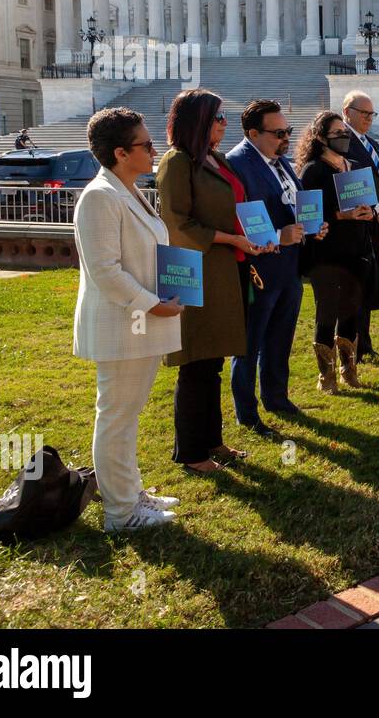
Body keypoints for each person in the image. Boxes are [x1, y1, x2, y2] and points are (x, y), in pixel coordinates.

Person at [73, 107, 183, 531]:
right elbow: (106, 271)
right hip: (123, 324)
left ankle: (130, 491)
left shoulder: (129, 190)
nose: (155, 150)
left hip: (139, 322)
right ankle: (120, 513)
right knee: (116, 416)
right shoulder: (101, 196)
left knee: (127, 414)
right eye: (146, 145)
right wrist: (153, 303)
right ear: (120, 152)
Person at [157, 88, 261, 474]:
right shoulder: (177, 162)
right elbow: (177, 223)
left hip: (227, 267)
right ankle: (191, 452)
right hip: (195, 270)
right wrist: (231, 238)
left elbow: (236, 207)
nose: (224, 124)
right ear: (198, 121)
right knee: (197, 361)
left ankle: (212, 441)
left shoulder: (216, 159)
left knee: (214, 358)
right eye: (218, 118)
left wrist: (254, 236)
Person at [226, 100, 327, 435]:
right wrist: (277, 235)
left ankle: (276, 397)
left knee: (280, 338)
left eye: (288, 131)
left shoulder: (281, 163)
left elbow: (291, 203)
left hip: (288, 266)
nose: (286, 138)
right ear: (253, 133)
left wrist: (312, 225)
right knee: (249, 342)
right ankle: (246, 411)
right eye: (279, 133)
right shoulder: (237, 164)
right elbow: (239, 217)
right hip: (258, 267)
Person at [297, 112, 377, 391]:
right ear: (320, 137)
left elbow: (369, 202)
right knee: (327, 312)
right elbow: (307, 216)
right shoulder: (313, 170)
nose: (343, 137)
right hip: (326, 253)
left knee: (351, 311)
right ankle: (326, 377)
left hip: (357, 249)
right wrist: (340, 215)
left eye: (345, 132)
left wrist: (369, 211)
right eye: (337, 133)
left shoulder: (353, 166)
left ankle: (349, 370)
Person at [341, 90, 379, 363]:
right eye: (363, 113)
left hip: (376, 228)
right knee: (355, 291)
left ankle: (364, 342)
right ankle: (354, 346)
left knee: (368, 289)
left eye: (371, 114)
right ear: (347, 112)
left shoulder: (373, 145)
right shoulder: (342, 144)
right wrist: (374, 210)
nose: (368, 118)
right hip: (356, 229)